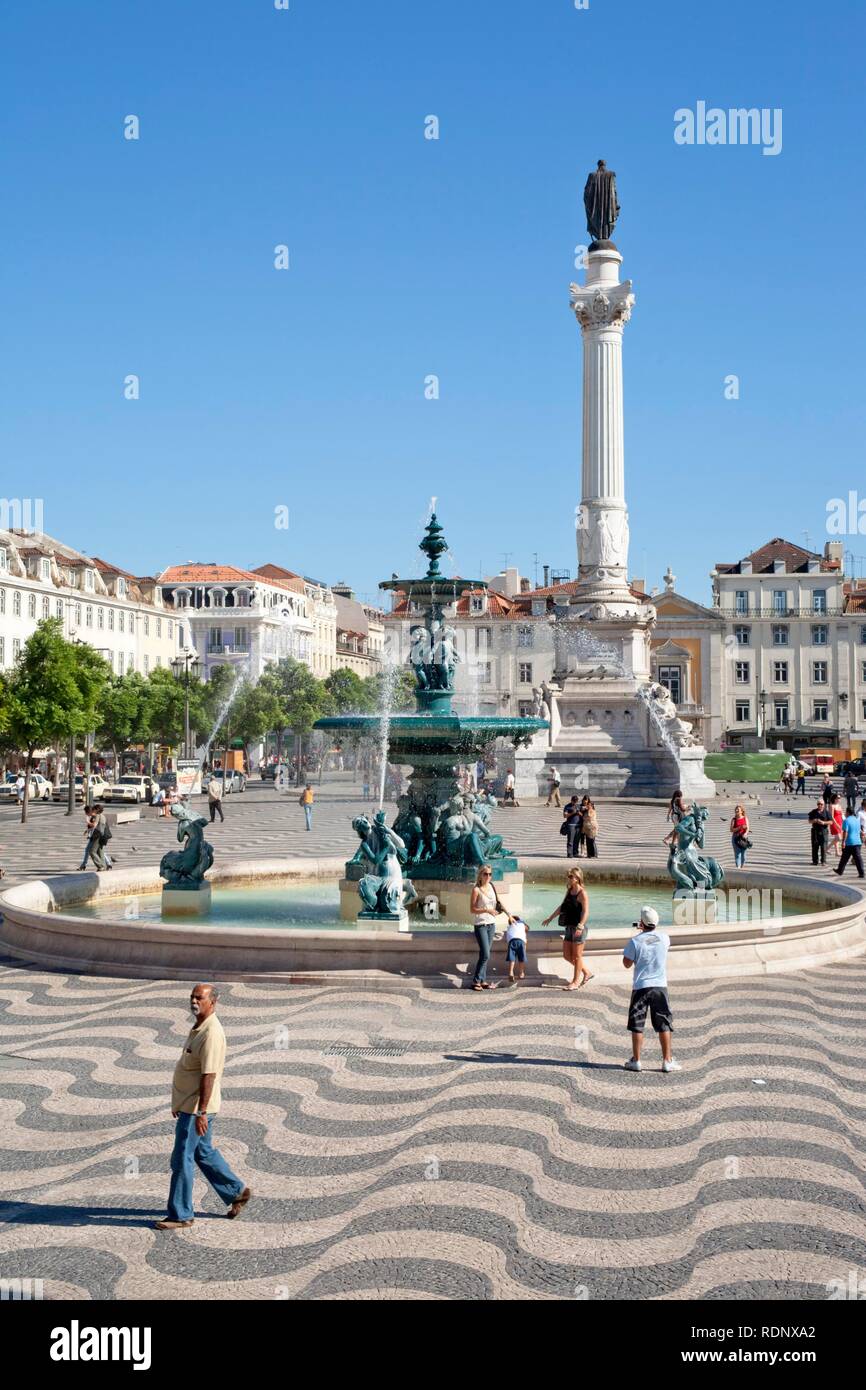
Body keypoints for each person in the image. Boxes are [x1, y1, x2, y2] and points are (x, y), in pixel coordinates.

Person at [153, 984, 251, 1230]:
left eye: (200, 998)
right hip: (190, 1104)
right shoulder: (200, 1026)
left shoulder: (212, 1033)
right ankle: (236, 1191)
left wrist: (201, 1112)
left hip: (197, 1108)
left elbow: (209, 1075)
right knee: (203, 1152)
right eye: (193, 996)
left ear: (213, 1002)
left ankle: (181, 1214)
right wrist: (180, 1101)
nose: (194, 1001)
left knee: (181, 1158)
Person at [623, 906, 679, 1073]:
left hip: (641, 987)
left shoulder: (635, 941)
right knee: (664, 1024)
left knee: (637, 1024)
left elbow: (626, 963)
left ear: (641, 922)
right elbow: (655, 942)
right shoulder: (664, 938)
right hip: (660, 986)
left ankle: (637, 1061)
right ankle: (667, 1061)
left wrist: (639, 935)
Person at [541, 866, 592, 990]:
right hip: (569, 927)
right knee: (566, 955)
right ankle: (587, 972)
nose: (568, 878)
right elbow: (562, 907)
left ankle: (575, 982)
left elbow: (586, 912)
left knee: (577, 956)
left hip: (578, 928)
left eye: (571, 876)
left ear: (577, 878)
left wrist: (580, 926)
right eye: (568, 876)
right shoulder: (569, 891)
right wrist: (550, 918)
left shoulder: (582, 893)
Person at [469, 864, 511, 991]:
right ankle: (476, 980)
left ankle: (483, 980)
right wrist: (487, 910)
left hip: (491, 925)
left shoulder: (492, 886)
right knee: (486, 954)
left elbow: (499, 902)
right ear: (480, 875)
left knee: (485, 954)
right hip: (481, 925)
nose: (488, 876)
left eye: (490, 874)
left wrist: (509, 914)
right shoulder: (476, 890)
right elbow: (472, 909)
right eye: (485, 874)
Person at [836, 807, 865, 879]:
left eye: (846, 812)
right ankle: (861, 873)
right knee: (858, 859)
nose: (845, 813)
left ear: (848, 812)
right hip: (857, 842)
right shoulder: (857, 820)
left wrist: (843, 842)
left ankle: (840, 870)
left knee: (844, 858)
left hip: (849, 842)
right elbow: (860, 831)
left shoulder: (846, 821)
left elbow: (845, 832)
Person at [505, 913, 529, 985]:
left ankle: (511, 972)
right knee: (521, 958)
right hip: (520, 941)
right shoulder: (522, 925)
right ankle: (521, 973)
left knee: (512, 958)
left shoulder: (509, 926)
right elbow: (527, 929)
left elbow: (508, 937)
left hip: (512, 941)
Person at [808, 798, 832, 867]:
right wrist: (814, 820)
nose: (820, 805)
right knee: (814, 846)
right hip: (815, 831)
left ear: (824, 805)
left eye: (821, 804)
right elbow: (809, 821)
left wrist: (823, 822)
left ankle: (823, 861)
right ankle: (815, 861)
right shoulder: (813, 811)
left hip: (823, 831)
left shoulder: (826, 812)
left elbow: (831, 822)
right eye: (818, 804)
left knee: (823, 846)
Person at [730, 803, 750, 869]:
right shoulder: (734, 819)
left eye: (738, 810)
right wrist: (740, 827)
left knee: (744, 856)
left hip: (743, 838)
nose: (737, 811)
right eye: (736, 810)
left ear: (741, 811)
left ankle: (742, 866)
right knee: (737, 854)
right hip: (736, 838)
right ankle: (738, 868)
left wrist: (745, 833)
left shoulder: (745, 818)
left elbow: (747, 828)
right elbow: (731, 829)